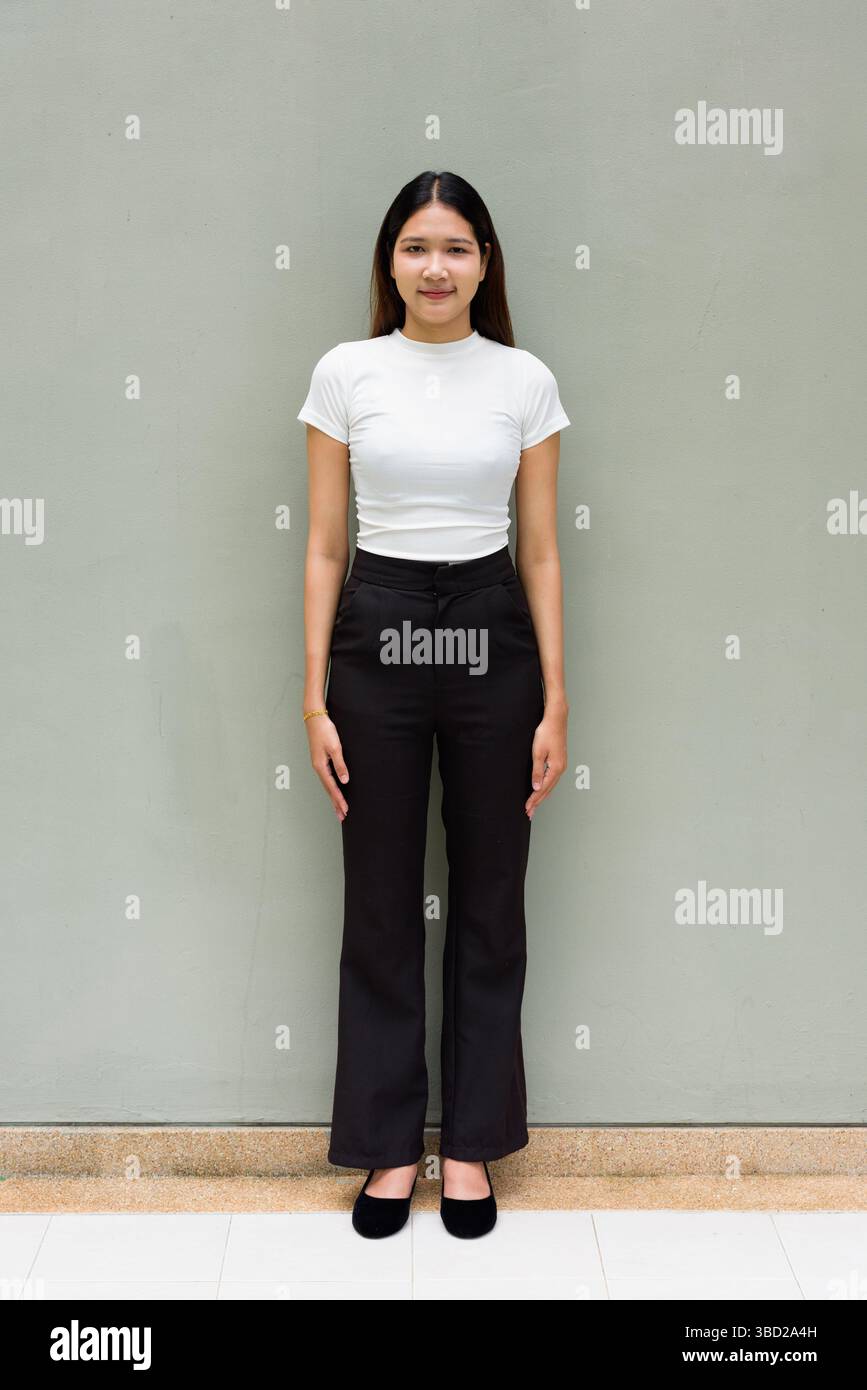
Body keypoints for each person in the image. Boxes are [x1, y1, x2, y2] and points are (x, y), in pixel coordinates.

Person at [297, 170, 570, 1239]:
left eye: (456, 246)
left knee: (491, 897)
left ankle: (468, 1148)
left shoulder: (525, 381)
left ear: (484, 263)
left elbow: (542, 550)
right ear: (390, 263)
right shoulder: (345, 373)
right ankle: (382, 1148)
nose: (436, 266)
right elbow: (324, 543)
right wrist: (314, 692)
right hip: (382, 624)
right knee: (379, 898)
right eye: (416, 246)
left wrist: (556, 696)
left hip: (491, 628)